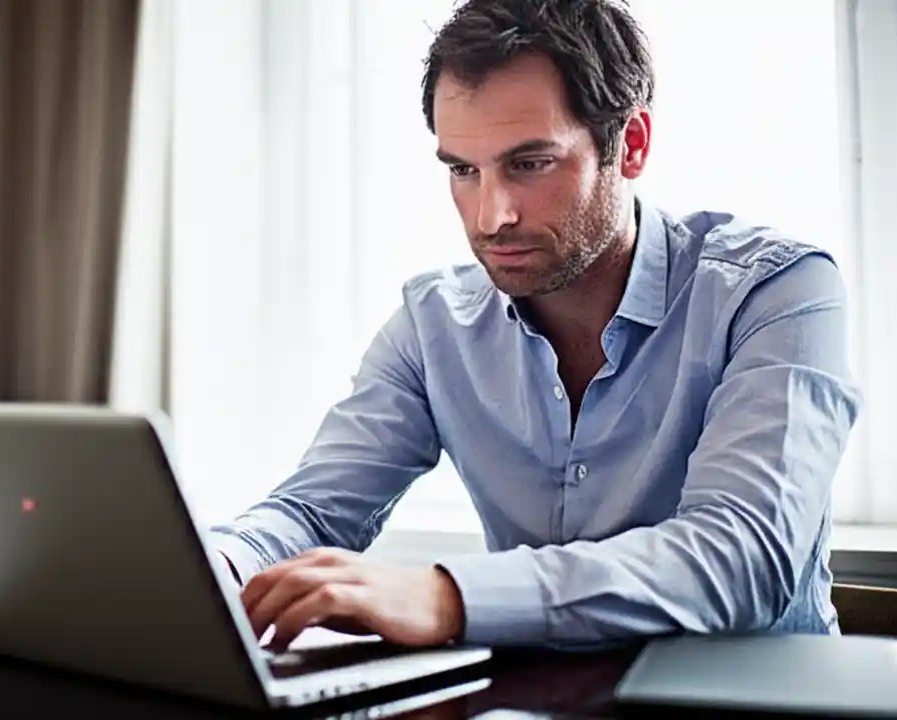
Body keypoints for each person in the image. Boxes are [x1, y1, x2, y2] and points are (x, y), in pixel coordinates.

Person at [209, 0, 861, 651]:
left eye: (529, 164)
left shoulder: (775, 291)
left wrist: (448, 596)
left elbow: (743, 557)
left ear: (630, 144)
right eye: (463, 170)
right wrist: (220, 569)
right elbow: (310, 513)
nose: (492, 216)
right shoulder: (433, 325)